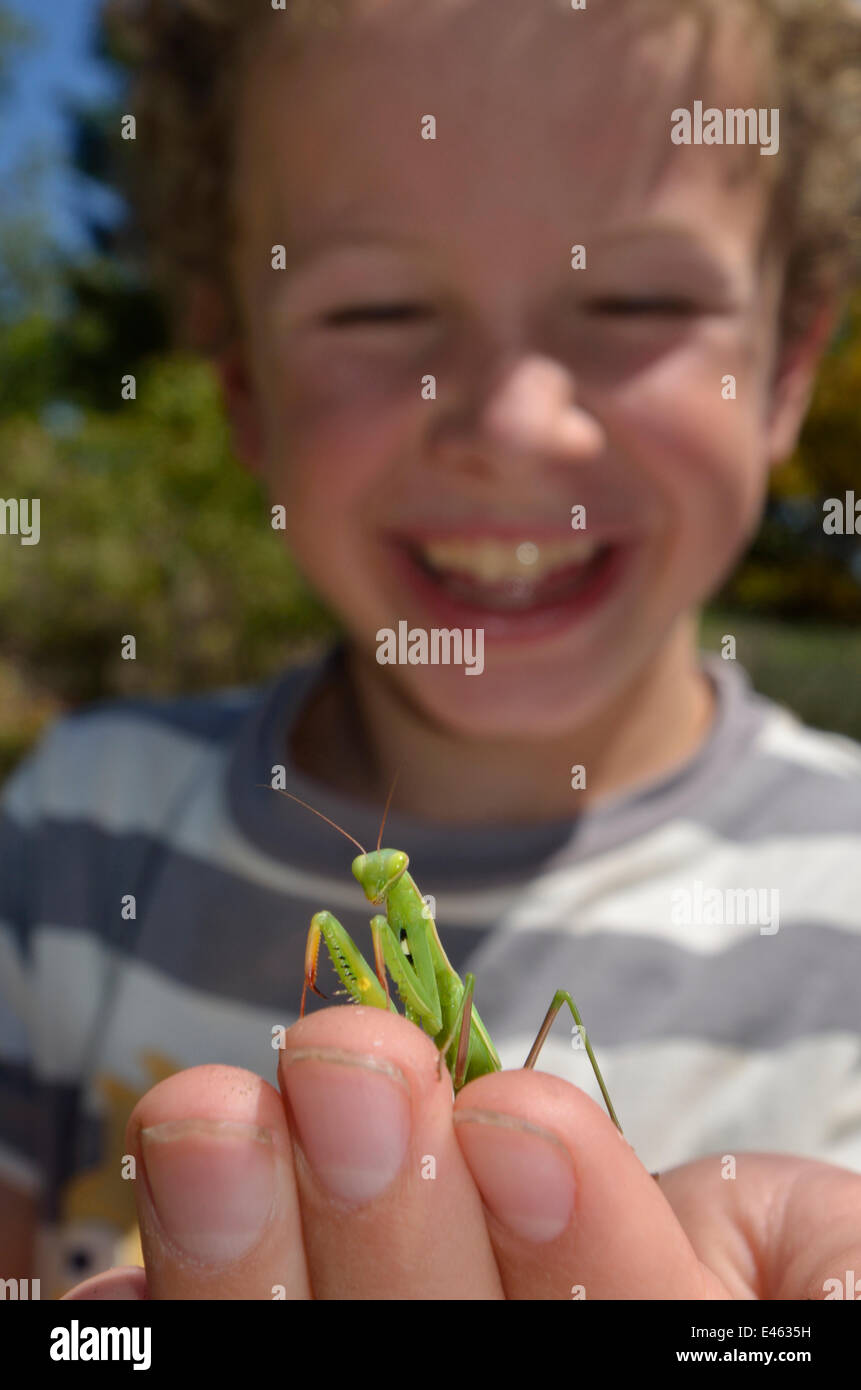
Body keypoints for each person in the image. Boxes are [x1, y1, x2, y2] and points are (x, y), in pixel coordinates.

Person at [2, 0, 861, 1301]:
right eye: (379, 309)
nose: (511, 426)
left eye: (633, 296)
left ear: (790, 369)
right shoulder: (66, 832)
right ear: (239, 382)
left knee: (540, 1037)